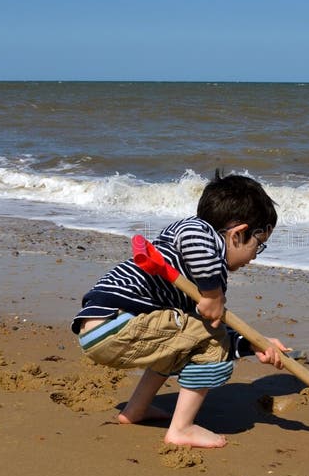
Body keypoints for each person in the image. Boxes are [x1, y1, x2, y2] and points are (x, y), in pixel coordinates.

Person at [71, 172, 288, 448]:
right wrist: (212, 293)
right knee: (212, 342)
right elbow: (195, 236)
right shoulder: (199, 234)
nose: (256, 255)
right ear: (236, 234)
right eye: (259, 244)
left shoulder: (192, 264)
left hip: (100, 328)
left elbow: (204, 328)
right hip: (119, 321)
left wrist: (253, 344)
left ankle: (136, 409)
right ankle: (182, 428)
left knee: (183, 345)